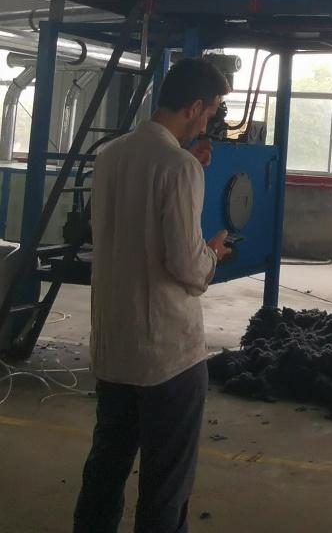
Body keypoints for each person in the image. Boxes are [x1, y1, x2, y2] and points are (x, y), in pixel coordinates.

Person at [73, 57, 232, 533]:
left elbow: (130, 221)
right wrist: (213, 255)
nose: (208, 124)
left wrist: (187, 168)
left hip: (114, 349)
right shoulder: (180, 167)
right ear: (195, 107)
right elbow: (185, 264)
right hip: (167, 358)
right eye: (210, 113)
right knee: (165, 484)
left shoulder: (110, 155)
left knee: (106, 468)